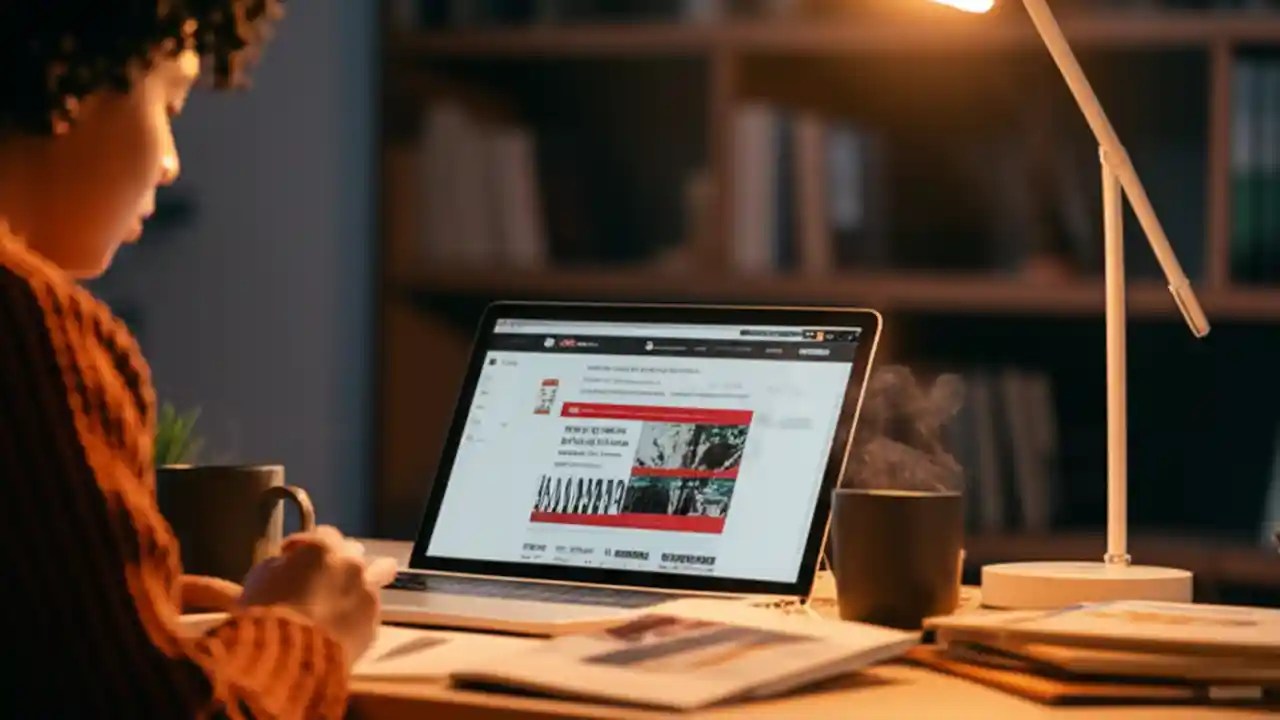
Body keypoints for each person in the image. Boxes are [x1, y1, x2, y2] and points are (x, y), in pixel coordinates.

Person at [0, 4, 394, 718]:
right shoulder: (28, 334)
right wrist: (304, 630)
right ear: (69, 80)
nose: (171, 160)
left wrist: (133, 605)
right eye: (170, 101)